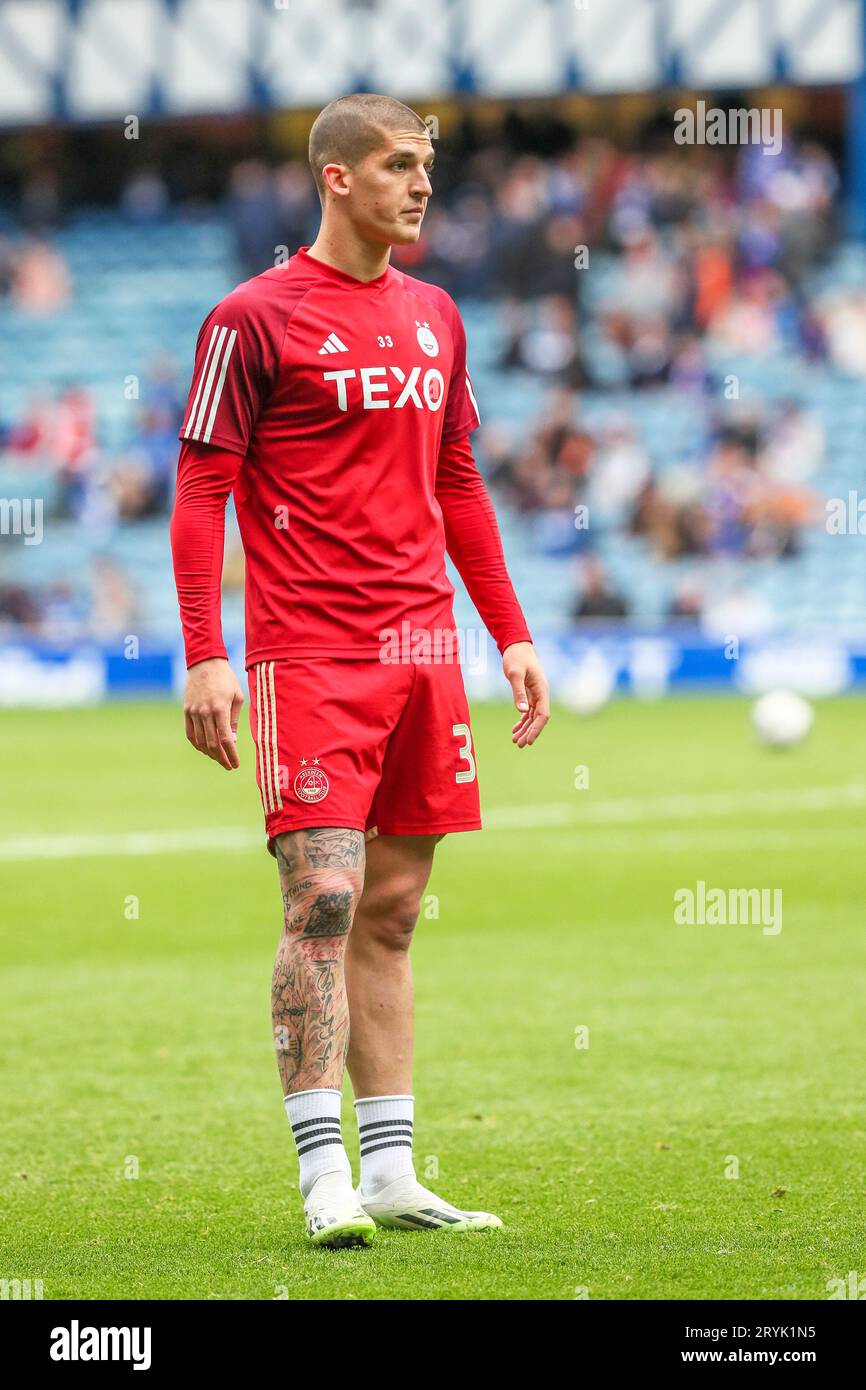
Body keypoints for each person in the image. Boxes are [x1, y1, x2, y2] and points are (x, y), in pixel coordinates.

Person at [170, 93, 549, 1248]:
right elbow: (200, 491)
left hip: (423, 648)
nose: (420, 184)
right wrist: (204, 652)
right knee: (322, 897)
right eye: (396, 165)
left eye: (425, 164)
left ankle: (392, 1170)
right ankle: (322, 1175)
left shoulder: (437, 315)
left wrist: (511, 630)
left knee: (390, 910)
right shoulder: (250, 317)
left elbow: (459, 484)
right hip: (308, 655)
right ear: (336, 178)